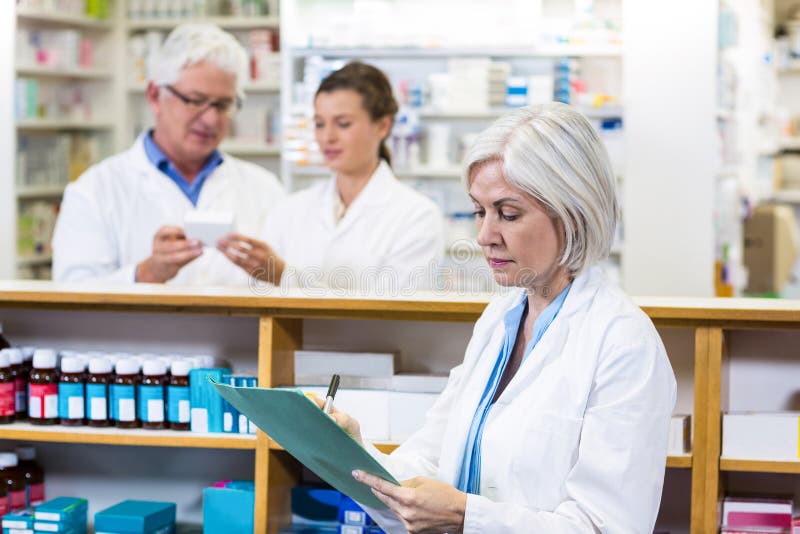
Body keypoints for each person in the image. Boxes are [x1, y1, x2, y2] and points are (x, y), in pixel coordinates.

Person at [313, 103, 677, 532]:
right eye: (479, 212)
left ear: (574, 213)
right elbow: (430, 458)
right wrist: (354, 454)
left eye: (508, 214)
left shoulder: (623, 343)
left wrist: (467, 516)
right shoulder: (500, 319)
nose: (485, 236)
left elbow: (607, 527)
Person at [52, 24, 285, 285]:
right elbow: (70, 299)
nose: (210, 119)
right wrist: (146, 274)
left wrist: (279, 275)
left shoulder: (265, 189)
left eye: (223, 105)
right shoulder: (94, 191)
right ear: (154, 95)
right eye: (195, 101)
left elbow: (302, 298)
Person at [217, 62, 444, 292]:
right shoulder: (289, 211)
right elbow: (258, 299)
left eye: (343, 124)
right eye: (319, 124)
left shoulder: (417, 216)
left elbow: (398, 314)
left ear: (383, 126)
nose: (327, 137)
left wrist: (286, 277)